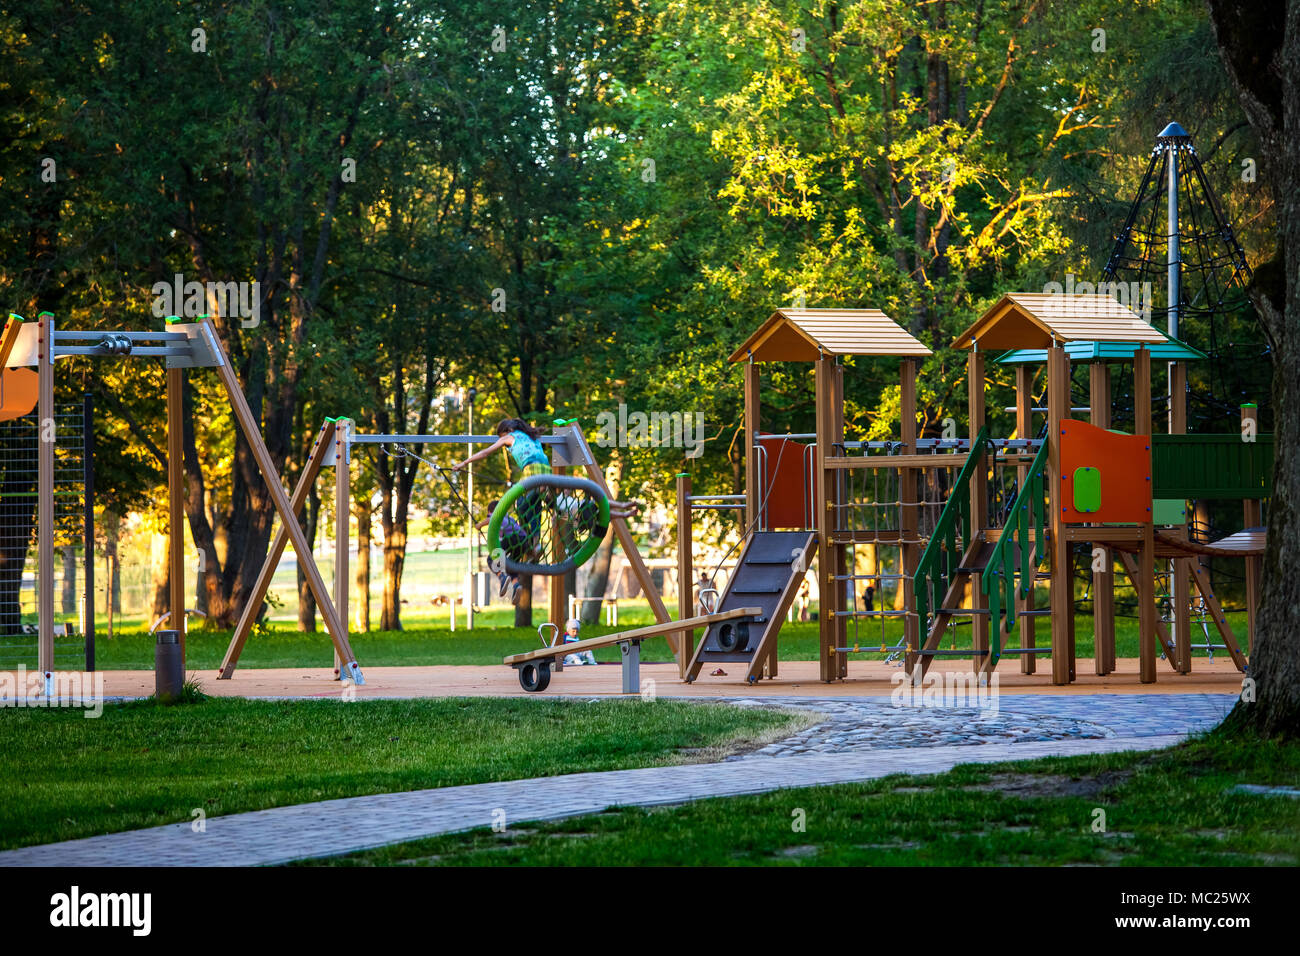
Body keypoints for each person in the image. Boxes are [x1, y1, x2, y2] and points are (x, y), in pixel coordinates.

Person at [476, 498, 528, 606]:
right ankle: (516, 585)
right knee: (511, 565)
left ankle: (501, 576)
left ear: (491, 511)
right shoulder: (510, 518)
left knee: (491, 559)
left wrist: (479, 525)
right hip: (523, 541)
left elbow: (491, 519)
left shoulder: (496, 515)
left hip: (511, 538)